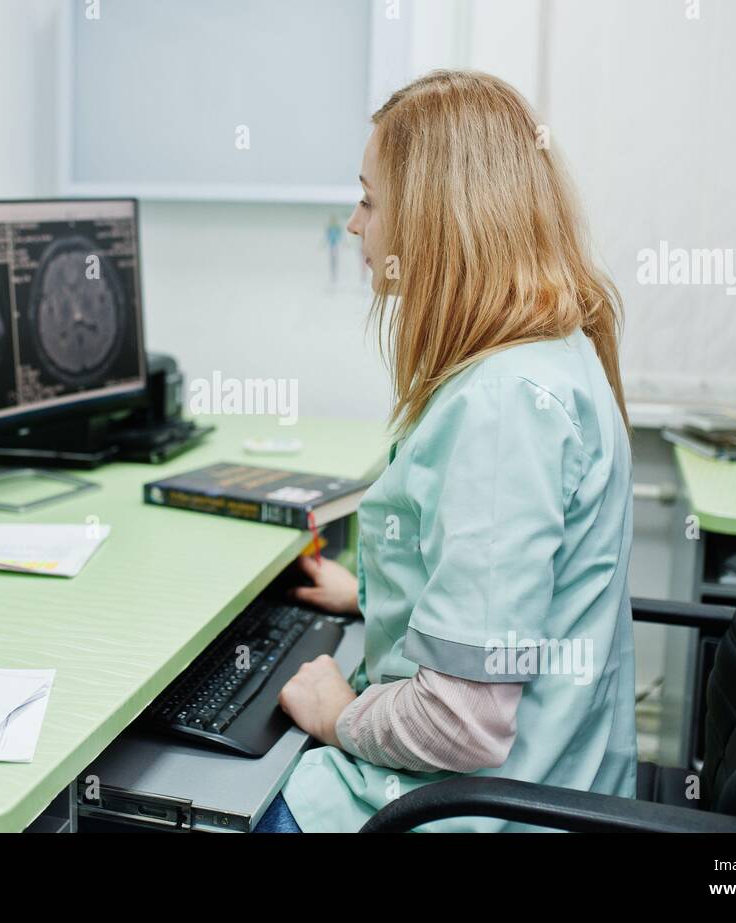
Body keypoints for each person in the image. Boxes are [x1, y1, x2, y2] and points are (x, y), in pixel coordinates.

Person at [259, 70, 637, 833]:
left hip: (466, 811)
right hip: (555, 778)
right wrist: (371, 591)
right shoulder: (551, 351)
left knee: (184, 793)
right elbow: (511, 586)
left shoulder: (503, 408)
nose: (354, 223)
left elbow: (460, 722)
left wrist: (340, 714)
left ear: (432, 221)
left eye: (369, 199)